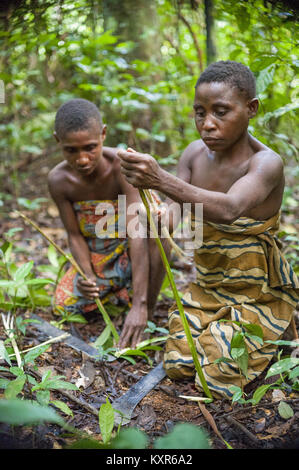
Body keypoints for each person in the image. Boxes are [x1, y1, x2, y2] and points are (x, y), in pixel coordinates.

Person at [118, 60, 299, 398]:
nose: (208, 124)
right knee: (178, 364)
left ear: (251, 109)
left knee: (217, 381)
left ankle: (277, 325)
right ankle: (226, 329)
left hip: (254, 291)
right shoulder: (193, 155)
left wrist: (160, 179)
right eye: (200, 113)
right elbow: (175, 212)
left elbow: (229, 210)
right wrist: (159, 216)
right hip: (209, 285)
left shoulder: (265, 163)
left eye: (221, 112)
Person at [48, 98, 167, 349]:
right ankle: (122, 295)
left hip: (134, 245)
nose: (82, 159)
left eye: (90, 147)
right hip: (99, 252)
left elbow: (137, 233)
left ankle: (145, 305)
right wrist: (87, 275)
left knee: (158, 229)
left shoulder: (122, 166)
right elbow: (74, 234)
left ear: (103, 134)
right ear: (58, 141)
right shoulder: (58, 181)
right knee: (63, 304)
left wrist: (140, 306)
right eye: (71, 150)